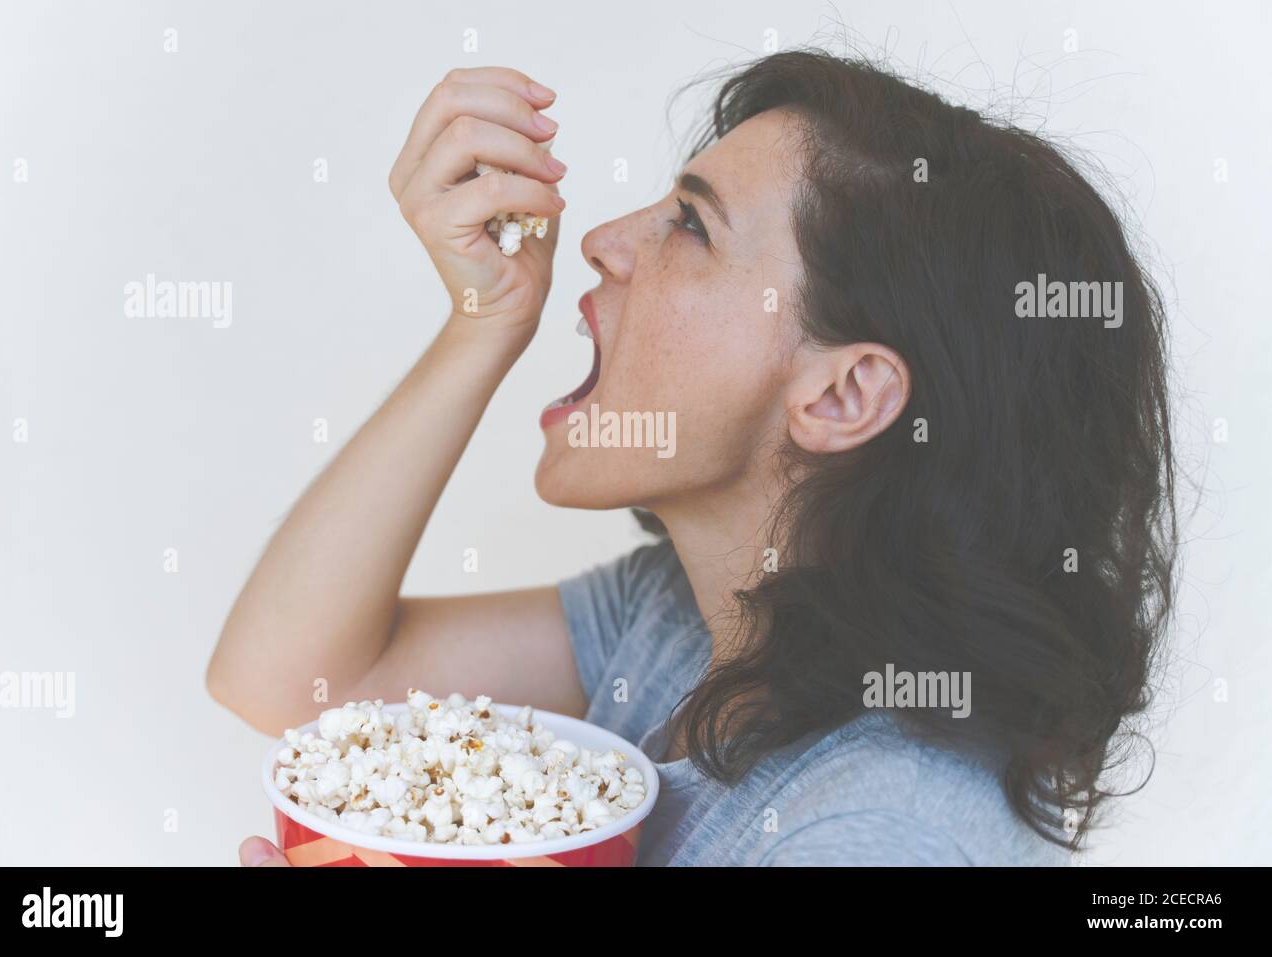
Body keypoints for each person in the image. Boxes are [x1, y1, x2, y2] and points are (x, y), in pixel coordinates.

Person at [210, 51, 1178, 866]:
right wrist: (482, 323)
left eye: (691, 225)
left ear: (840, 396)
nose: (597, 242)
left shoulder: (881, 832)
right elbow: (292, 681)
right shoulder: (676, 625)